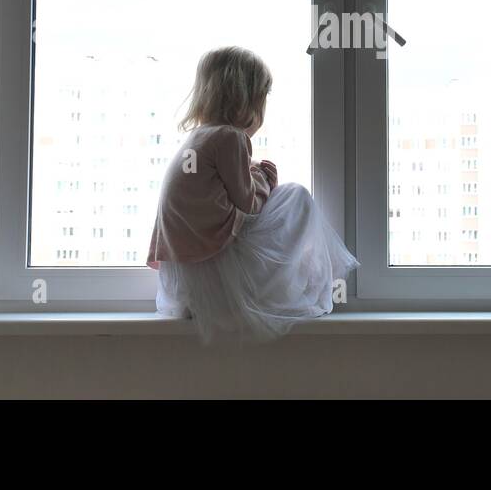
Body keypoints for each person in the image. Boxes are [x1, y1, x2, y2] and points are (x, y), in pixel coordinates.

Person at [147, 46, 357, 343]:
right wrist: (264, 176)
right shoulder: (231, 137)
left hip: (185, 277)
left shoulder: (198, 137)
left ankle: (305, 281)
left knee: (286, 201)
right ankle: (311, 282)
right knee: (296, 196)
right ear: (249, 100)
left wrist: (251, 173)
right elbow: (249, 203)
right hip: (218, 265)